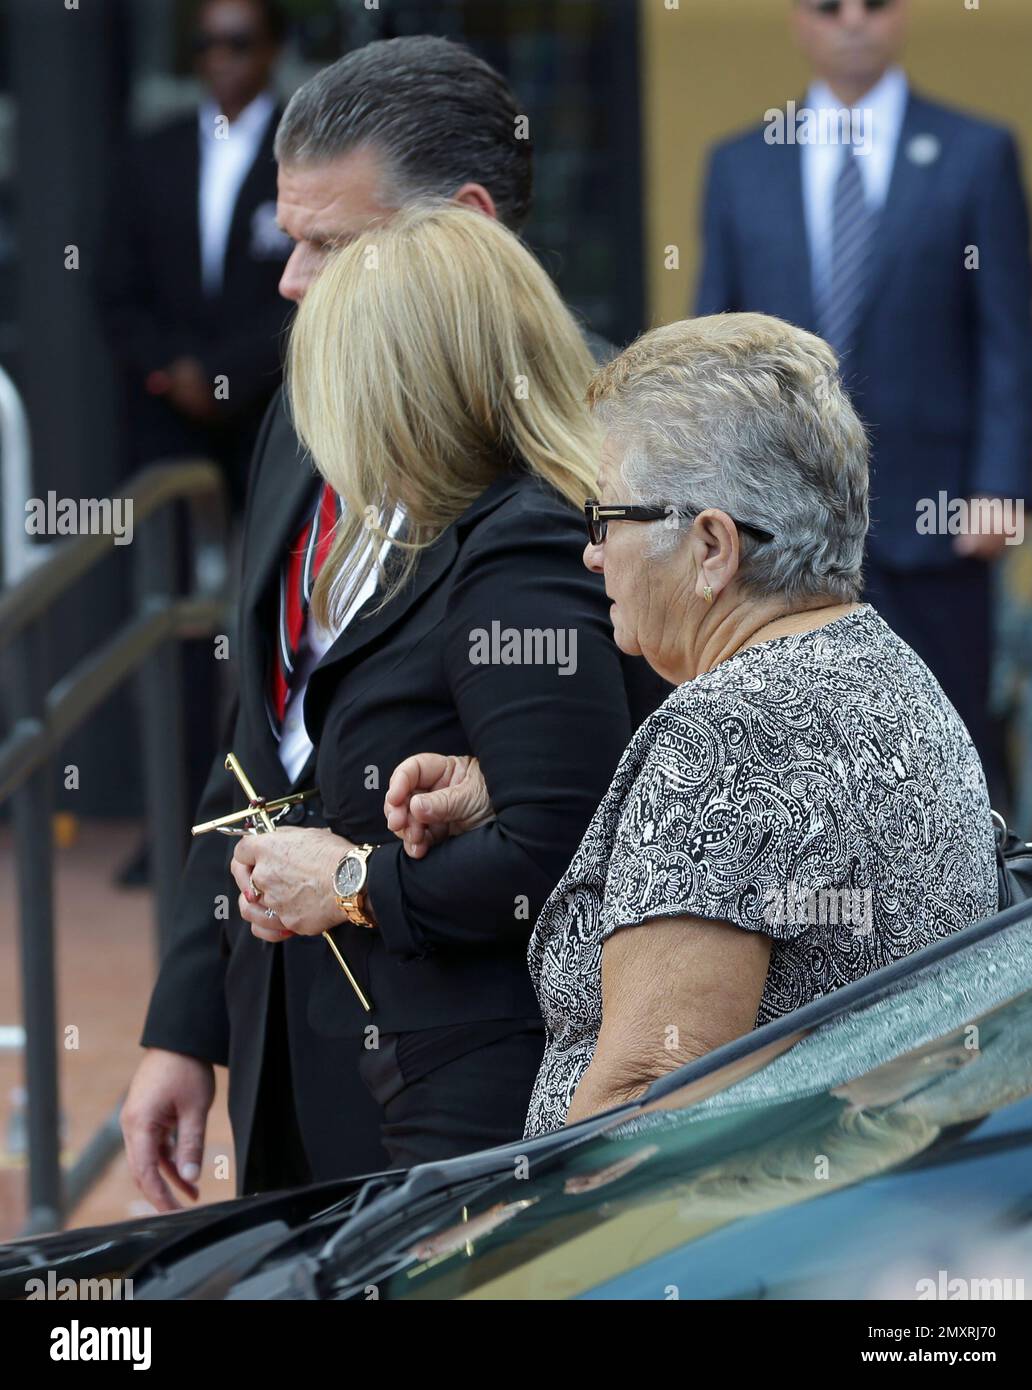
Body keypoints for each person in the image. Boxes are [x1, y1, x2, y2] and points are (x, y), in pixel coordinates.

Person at [122, 37, 667, 1211]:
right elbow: (257, 736)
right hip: (285, 1044)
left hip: (469, 1075)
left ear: (458, 223)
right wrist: (185, 1022)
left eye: (327, 243)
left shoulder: (592, 464)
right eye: (287, 236)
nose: (288, 279)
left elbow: (579, 820)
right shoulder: (303, 416)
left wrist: (366, 874)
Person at [385, 313, 1000, 1138]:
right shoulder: (889, 671)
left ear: (711, 546)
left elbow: (653, 1108)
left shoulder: (725, 737)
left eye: (606, 518)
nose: (591, 553)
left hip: (738, 1256)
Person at [694, 0, 1032, 800]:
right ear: (797, 22)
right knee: (798, 746)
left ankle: (987, 918)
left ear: (903, 15)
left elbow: (1007, 335)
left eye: (873, 5)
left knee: (955, 743)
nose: (853, 22)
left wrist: (1001, 487)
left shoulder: (975, 153)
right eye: (829, 7)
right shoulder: (742, 164)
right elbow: (715, 345)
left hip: (937, 521)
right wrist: (711, 492)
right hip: (780, 518)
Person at [98, 0, 292, 864]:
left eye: (238, 43)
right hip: (169, 423)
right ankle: (175, 821)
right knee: (169, 624)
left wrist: (229, 379)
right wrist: (174, 372)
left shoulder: (304, 144)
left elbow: (314, 282)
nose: (219, 59)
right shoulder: (156, 152)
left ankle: (267, 808)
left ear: (272, 50)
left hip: (269, 416)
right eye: (204, 43)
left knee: (269, 613)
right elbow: (112, 287)